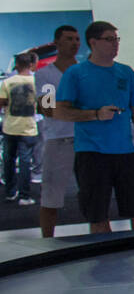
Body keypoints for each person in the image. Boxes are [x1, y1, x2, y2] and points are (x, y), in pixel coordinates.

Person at [53, 21, 134, 233]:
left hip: (125, 152)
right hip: (91, 153)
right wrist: (95, 115)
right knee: (97, 214)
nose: (115, 44)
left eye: (116, 39)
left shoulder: (126, 73)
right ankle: (104, 262)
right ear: (93, 42)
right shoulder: (76, 73)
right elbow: (61, 111)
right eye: (109, 39)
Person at [33, 25, 82, 236]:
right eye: (69, 39)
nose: (74, 43)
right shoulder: (45, 74)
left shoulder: (85, 71)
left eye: (77, 39)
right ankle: (46, 241)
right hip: (58, 140)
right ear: (57, 43)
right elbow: (47, 107)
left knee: (93, 195)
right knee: (50, 197)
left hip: (86, 140)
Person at [1, 51, 40, 205]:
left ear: (16, 65)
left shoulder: (7, 83)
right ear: (31, 64)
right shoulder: (39, 82)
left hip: (10, 127)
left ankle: (10, 193)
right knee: (25, 162)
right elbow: (48, 106)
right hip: (29, 128)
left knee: (9, 160)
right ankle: (24, 196)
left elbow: (1, 104)